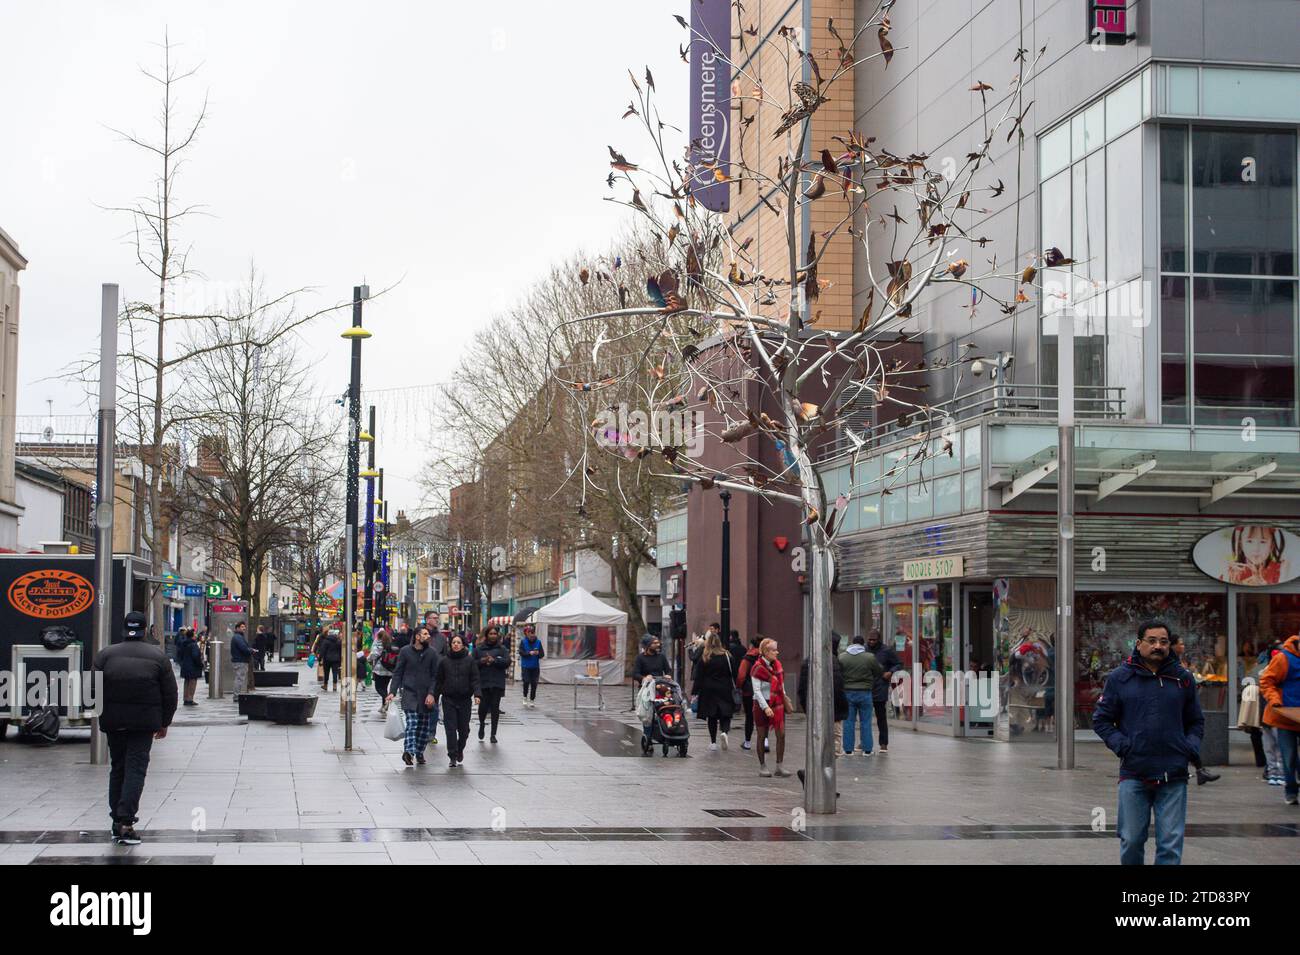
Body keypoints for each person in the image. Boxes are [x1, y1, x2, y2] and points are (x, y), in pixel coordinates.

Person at [1093, 620, 1204, 865]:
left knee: (1170, 846)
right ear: (1139, 643)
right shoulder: (1120, 678)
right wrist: (1123, 746)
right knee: (1131, 840)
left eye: (1163, 642)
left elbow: (1196, 721)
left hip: (1173, 774)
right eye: (1152, 641)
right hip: (1134, 773)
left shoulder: (1183, 679)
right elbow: (1101, 720)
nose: (1158, 646)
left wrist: (1190, 747)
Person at [93, 611, 178, 846]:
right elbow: (170, 694)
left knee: (118, 768)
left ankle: (116, 820)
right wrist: (165, 722)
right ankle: (126, 822)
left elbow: (92, 690)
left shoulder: (106, 655)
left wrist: (104, 712)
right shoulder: (158, 657)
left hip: (113, 722)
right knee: (135, 769)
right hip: (143, 724)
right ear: (144, 629)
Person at [387, 625, 439, 765]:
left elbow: (435, 676)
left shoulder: (432, 653)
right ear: (417, 636)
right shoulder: (405, 651)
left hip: (426, 695)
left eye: (428, 634)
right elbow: (398, 672)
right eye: (425, 634)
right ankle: (408, 752)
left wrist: (431, 694)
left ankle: (419, 752)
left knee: (423, 727)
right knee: (412, 723)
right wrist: (392, 691)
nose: (428, 636)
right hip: (409, 693)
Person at [1171, 635, 1220, 785]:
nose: (1183, 646)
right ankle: (1197, 770)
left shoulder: (1177, 662)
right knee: (1183, 739)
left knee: (1187, 738)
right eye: (1180, 643)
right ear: (1173, 646)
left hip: (1182, 706)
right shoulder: (1171, 662)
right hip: (1176, 707)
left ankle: (1199, 770)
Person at [1258, 633, 1300, 805]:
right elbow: (1266, 681)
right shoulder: (1283, 658)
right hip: (1285, 716)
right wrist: (1275, 701)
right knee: (1288, 757)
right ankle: (1291, 790)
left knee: (1290, 757)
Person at [797, 633, 848, 755]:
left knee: (818, 740)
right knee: (835, 744)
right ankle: (822, 769)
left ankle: (817, 768)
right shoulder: (835, 661)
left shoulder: (808, 661)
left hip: (817, 709)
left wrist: (807, 709)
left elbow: (802, 689)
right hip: (834, 711)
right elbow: (839, 688)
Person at [435, 633, 480, 767]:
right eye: (453, 642)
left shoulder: (469, 661)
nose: (456, 644)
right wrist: (434, 696)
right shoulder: (444, 661)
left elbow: (475, 679)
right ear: (450, 645)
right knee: (450, 728)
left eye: (458, 642)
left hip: (465, 699)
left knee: (464, 730)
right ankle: (452, 756)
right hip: (448, 699)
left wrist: (477, 694)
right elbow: (438, 681)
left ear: (463, 645)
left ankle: (460, 749)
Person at [751, 637, 793, 778]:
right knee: (762, 735)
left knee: (781, 734)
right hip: (762, 704)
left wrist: (784, 698)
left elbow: (780, 686)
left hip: (777, 703)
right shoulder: (757, 668)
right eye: (774, 650)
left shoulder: (778, 666)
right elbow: (756, 691)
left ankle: (779, 766)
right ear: (765, 651)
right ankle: (763, 766)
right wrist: (765, 707)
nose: (777, 652)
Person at [691, 630, 737, 751]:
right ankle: (725, 732)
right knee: (725, 713)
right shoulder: (727, 656)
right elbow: (734, 672)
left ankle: (713, 742)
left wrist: (695, 692)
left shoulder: (705, 657)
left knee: (712, 715)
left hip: (709, 689)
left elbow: (699, 676)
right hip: (725, 688)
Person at [839, 634, 883, 756]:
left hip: (848, 693)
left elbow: (839, 674)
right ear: (863, 644)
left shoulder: (842, 657)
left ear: (852, 643)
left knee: (848, 722)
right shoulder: (869, 657)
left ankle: (848, 750)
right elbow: (878, 672)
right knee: (866, 722)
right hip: (865, 693)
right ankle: (867, 750)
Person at [867, 630, 901, 753]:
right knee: (865, 719)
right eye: (869, 639)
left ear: (879, 639)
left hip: (880, 686)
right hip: (866, 687)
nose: (871, 642)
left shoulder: (887, 650)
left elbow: (898, 663)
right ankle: (865, 742)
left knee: (881, 717)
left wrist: (890, 672)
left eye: (874, 640)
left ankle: (883, 743)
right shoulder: (865, 649)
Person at [474, 626, 510, 743]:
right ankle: (482, 724)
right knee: (483, 708)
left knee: (495, 707)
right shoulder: (479, 649)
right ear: (486, 635)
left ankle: (493, 734)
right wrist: (482, 661)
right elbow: (472, 664)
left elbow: (507, 662)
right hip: (483, 682)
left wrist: (495, 661)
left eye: (495, 634)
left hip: (497, 682)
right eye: (491, 634)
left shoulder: (502, 649)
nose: (493, 636)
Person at [632, 635, 672, 737]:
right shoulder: (640, 658)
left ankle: (666, 730)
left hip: (660, 688)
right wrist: (644, 678)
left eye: (658, 643)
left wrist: (667, 675)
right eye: (654, 643)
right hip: (647, 689)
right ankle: (648, 735)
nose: (657, 645)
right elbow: (635, 674)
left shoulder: (661, 657)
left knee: (665, 708)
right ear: (647, 645)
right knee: (647, 713)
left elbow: (668, 670)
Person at [736, 636, 762, 750]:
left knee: (750, 717)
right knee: (764, 717)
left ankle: (747, 742)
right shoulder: (765, 657)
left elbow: (741, 676)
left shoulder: (747, 658)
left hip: (749, 692)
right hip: (764, 691)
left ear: (751, 645)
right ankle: (765, 741)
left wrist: (739, 687)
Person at [369, 627, 399, 718]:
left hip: (379, 669)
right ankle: (384, 706)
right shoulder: (389, 643)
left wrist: (368, 659)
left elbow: (374, 654)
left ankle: (387, 700)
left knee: (378, 687)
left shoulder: (378, 642)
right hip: (389, 669)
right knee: (384, 687)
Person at [174, 628, 204, 707]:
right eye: (195, 634)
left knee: (187, 682)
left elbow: (180, 654)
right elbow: (195, 656)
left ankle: (185, 698)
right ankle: (190, 698)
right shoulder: (193, 645)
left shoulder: (183, 643)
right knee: (192, 682)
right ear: (192, 636)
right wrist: (200, 664)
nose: (196, 636)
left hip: (185, 665)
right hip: (192, 666)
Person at [518, 626, 544, 707]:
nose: (531, 635)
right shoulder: (523, 641)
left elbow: (542, 654)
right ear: (527, 634)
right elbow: (521, 652)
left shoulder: (538, 642)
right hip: (525, 666)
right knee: (526, 682)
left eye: (533, 633)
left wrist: (538, 654)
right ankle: (525, 697)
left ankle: (532, 699)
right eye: (530, 633)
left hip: (535, 667)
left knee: (534, 683)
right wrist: (529, 653)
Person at [230, 621, 254, 695]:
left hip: (239, 661)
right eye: (242, 627)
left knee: (239, 678)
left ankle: (237, 694)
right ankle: (236, 695)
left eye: (244, 627)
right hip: (240, 661)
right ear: (237, 628)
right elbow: (244, 648)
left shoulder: (238, 637)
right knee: (239, 679)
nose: (244, 628)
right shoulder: (238, 637)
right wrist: (251, 650)